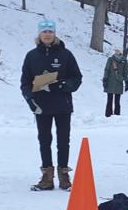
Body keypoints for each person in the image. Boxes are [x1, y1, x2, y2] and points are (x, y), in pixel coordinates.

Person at [21, 19, 83, 192]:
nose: (47, 34)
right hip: (41, 105)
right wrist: (29, 98)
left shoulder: (66, 55)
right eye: (44, 32)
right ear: (39, 35)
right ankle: (47, 177)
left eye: (50, 31)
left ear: (55, 34)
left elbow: (77, 78)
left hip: (62, 104)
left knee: (63, 140)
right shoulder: (32, 56)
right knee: (44, 139)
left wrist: (63, 85)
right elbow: (25, 81)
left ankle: (64, 175)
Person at [102, 48, 127, 117]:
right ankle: (108, 114)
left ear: (120, 52)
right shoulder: (110, 59)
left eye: (118, 51)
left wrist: (126, 82)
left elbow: (125, 72)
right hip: (110, 81)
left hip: (119, 82)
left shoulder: (124, 61)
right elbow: (106, 69)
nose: (116, 52)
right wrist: (105, 79)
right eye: (115, 51)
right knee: (109, 100)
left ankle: (117, 115)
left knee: (117, 101)